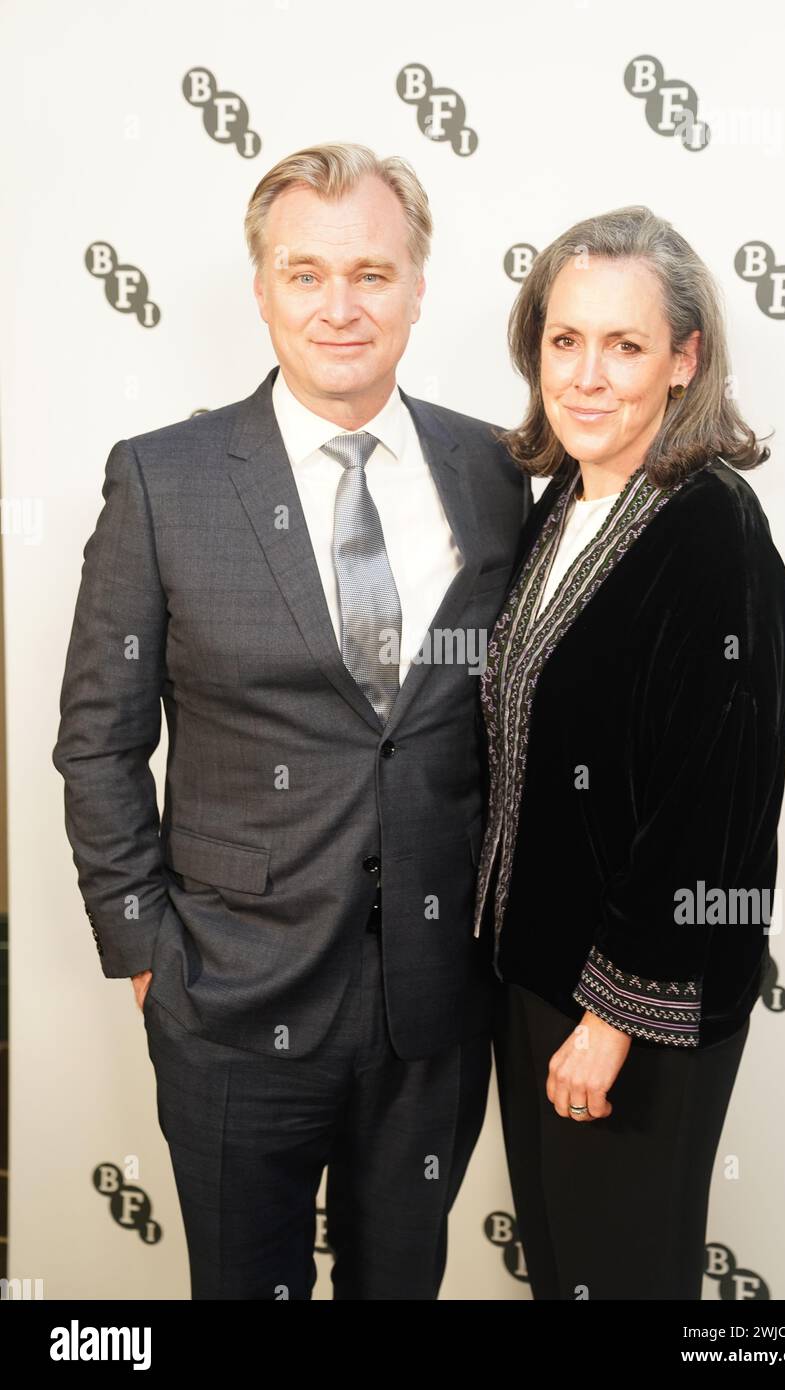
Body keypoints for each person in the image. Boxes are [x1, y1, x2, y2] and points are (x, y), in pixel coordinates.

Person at [52, 142, 530, 1299]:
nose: (340, 305)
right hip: (227, 996)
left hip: (431, 1003)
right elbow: (99, 740)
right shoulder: (164, 480)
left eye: (371, 272)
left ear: (420, 287)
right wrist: (148, 957)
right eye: (305, 272)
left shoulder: (496, 469)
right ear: (260, 288)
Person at [473, 205, 785, 1300]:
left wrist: (609, 1019)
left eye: (624, 344)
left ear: (683, 359)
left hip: (631, 1003)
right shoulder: (559, 501)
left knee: (622, 1280)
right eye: (565, 341)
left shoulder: (712, 529)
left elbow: (710, 802)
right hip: (532, 976)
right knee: (564, 1275)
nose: (587, 375)